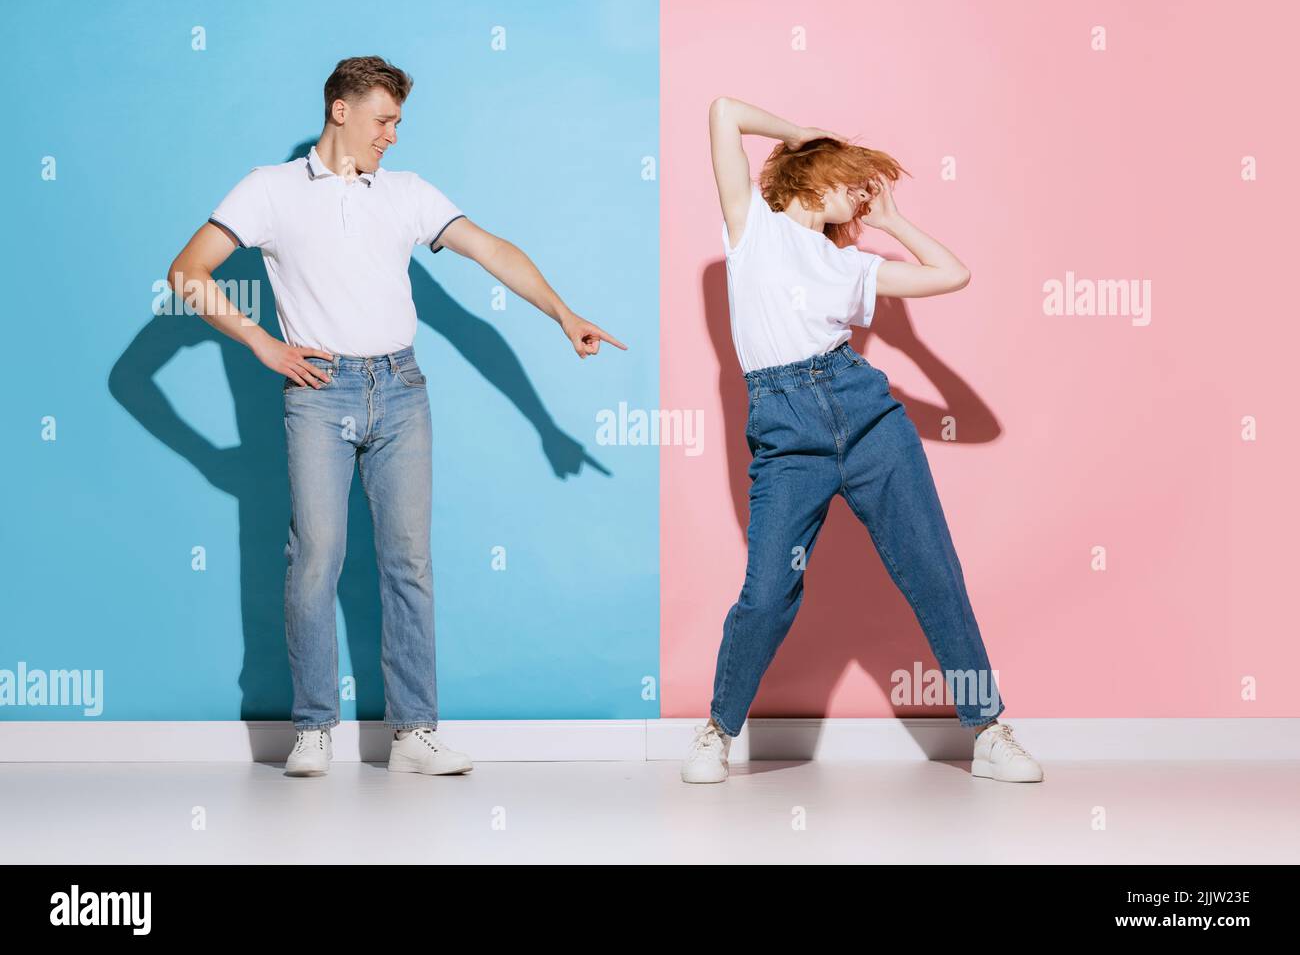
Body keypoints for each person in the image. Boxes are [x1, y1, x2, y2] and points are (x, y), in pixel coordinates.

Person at [168, 56, 624, 778]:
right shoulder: (270, 189)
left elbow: (491, 250)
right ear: (341, 111)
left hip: (402, 389)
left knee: (408, 560)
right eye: (384, 120)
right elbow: (187, 270)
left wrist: (562, 313)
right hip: (317, 392)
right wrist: (261, 342)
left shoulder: (405, 193)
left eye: (399, 123)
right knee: (315, 557)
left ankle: (415, 730)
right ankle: (314, 726)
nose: (393, 135)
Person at [681, 96, 1042, 785]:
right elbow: (724, 110)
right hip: (788, 435)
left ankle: (989, 729)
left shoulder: (849, 267)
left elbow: (952, 273)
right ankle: (718, 729)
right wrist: (801, 135)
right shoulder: (751, 227)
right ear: (816, 179)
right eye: (856, 180)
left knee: (934, 572)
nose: (866, 195)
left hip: (869, 418)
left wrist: (895, 223)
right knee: (766, 594)